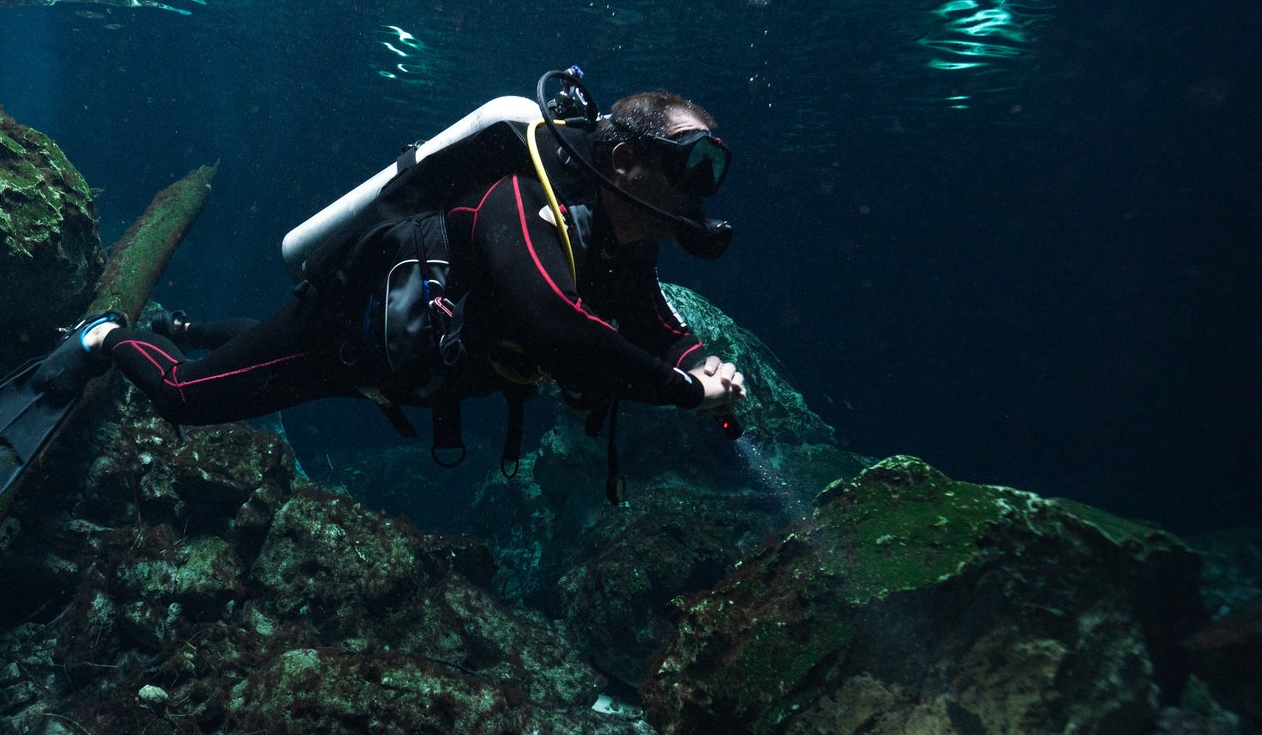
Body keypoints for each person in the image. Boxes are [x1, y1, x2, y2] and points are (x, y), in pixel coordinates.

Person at [39, 90, 747, 461]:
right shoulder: (518, 200)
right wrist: (683, 390)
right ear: (621, 157)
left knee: (257, 350)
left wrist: (699, 361)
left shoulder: (623, 237)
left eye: (710, 172)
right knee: (183, 398)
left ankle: (184, 326)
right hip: (342, 334)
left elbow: (653, 316)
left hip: (400, 363)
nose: (700, 192)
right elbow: (554, 325)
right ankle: (108, 337)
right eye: (687, 166)